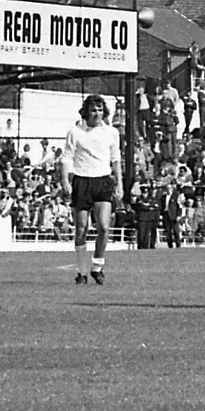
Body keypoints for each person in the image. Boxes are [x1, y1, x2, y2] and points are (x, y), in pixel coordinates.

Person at [60, 94, 124, 284]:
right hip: (82, 181)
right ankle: (81, 272)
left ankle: (97, 266)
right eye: (93, 110)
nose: (97, 113)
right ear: (86, 112)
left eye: (100, 110)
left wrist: (119, 184)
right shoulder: (75, 132)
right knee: (81, 229)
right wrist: (65, 180)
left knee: (104, 226)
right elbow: (67, 157)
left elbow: (116, 159)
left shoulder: (111, 132)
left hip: (102, 181)